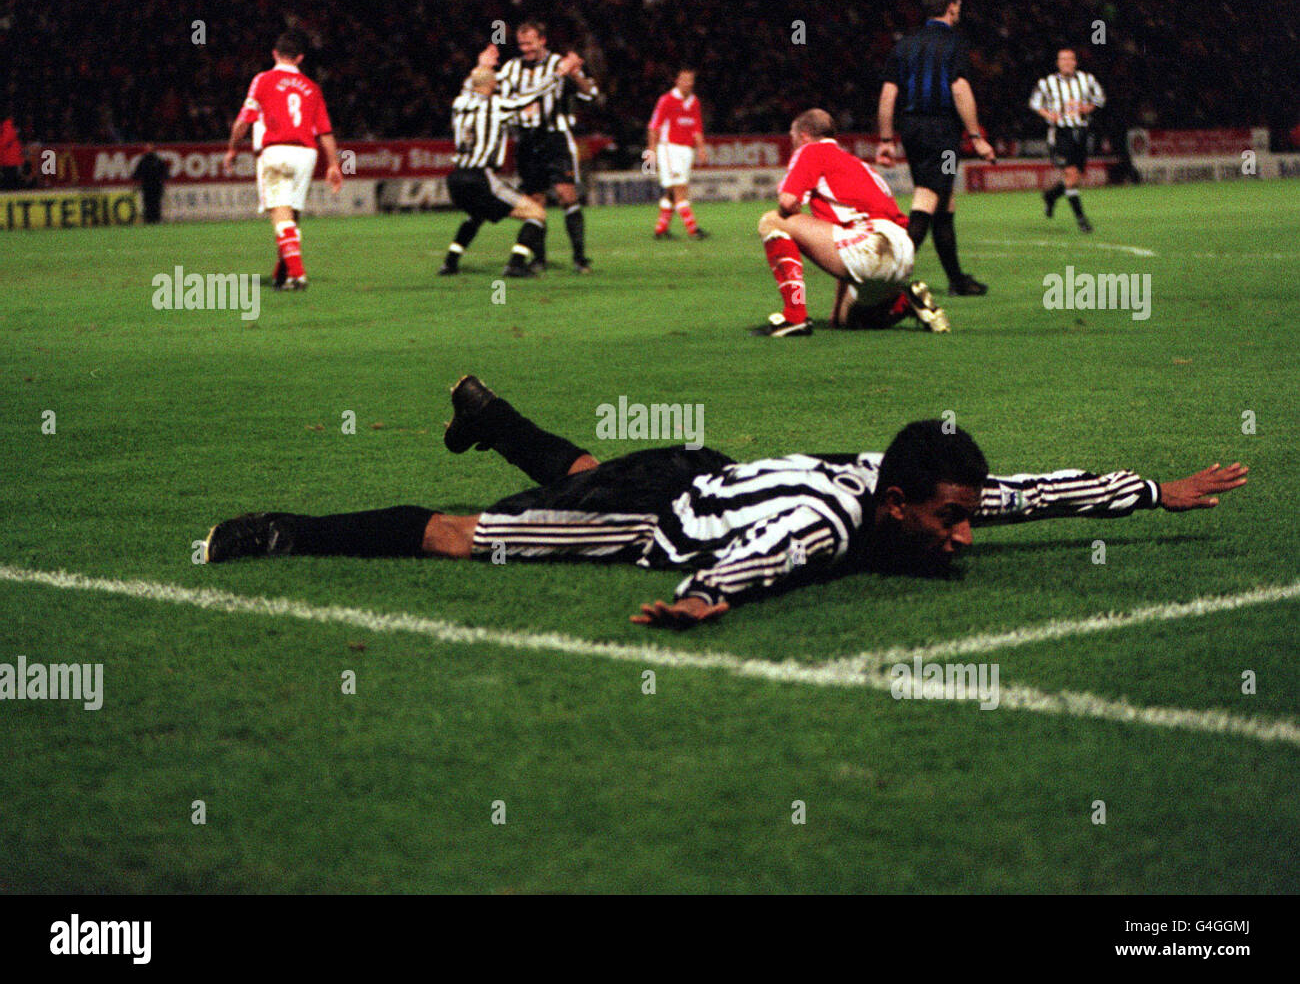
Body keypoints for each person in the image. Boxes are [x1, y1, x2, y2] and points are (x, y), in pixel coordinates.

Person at [203, 375, 1249, 629]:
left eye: (961, 516)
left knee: (580, 468)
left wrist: (1153, 490)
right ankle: (278, 530)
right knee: (460, 537)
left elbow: (1038, 494)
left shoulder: (905, 492)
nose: (965, 531)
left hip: (696, 469)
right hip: (660, 520)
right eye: (947, 520)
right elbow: (779, 551)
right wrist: (709, 597)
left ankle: (491, 412)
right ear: (893, 503)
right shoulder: (838, 520)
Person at [753, 108, 950, 338]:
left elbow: (788, 202)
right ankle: (905, 303)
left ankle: (795, 316)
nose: (792, 143)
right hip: (902, 254)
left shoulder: (811, 151)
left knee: (772, 221)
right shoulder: (858, 164)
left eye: (792, 137)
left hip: (870, 247)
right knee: (842, 321)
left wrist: (792, 211)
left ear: (804, 135)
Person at [876, 0, 996, 297]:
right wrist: (976, 136)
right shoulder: (954, 43)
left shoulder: (904, 44)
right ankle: (885, 280)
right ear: (952, 6)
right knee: (928, 198)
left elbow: (888, 94)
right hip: (941, 132)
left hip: (912, 131)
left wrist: (887, 139)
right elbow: (959, 89)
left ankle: (957, 280)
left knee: (944, 202)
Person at [222, 30, 342, 291]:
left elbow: (244, 121)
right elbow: (325, 131)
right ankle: (282, 274)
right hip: (307, 154)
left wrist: (232, 148)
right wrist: (333, 164)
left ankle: (298, 275)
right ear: (300, 57)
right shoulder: (312, 87)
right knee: (292, 215)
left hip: (277, 151)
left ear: (274, 54)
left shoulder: (263, 80)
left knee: (280, 214)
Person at [440, 56, 580, 277]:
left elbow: (472, 83)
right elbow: (530, 96)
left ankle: (449, 263)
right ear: (492, 85)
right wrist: (558, 74)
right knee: (537, 214)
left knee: (476, 214)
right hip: (480, 177)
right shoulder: (496, 105)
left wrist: (482, 64)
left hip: (455, 178)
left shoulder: (459, 103)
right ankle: (515, 264)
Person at [492, 21, 599, 272]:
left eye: (530, 43)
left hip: (555, 139)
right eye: (521, 44)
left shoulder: (559, 64)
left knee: (566, 194)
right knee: (534, 201)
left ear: (542, 40)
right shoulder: (511, 68)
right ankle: (538, 259)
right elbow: (509, 100)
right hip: (527, 141)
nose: (525, 49)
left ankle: (580, 258)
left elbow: (590, 95)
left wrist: (575, 74)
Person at [1030, 48, 1107, 232]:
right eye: (1062, 59)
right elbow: (1035, 103)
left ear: (1075, 62)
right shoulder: (1047, 82)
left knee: (1075, 179)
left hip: (1081, 132)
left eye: (1069, 59)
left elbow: (1100, 98)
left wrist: (1087, 107)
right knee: (1071, 175)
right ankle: (1082, 220)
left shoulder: (1086, 79)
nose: (1066, 62)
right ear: (1058, 63)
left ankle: (1050, 196)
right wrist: (1048, 114)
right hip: (1060, 133)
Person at [646, 69, 708, 240]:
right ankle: (693, 229)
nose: (688, 83)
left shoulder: (694, 102)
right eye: (684, 80)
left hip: (687, 150)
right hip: (670, 148)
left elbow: (697, 127)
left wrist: (701, 148)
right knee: (681, 190)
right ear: (677, 81)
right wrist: (651, 150)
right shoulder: (666, 100)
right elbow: (654, 126)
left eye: (690, 80)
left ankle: (661, 230)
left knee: (672, 192)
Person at [131, 143, 169, 224]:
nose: (147, 150)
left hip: (155, 185)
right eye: (146, 148)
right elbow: (137, 173)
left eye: (148, 148)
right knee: (148, 204)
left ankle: (155, 220)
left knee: (155, 203)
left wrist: (164, 179)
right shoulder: (144, 161)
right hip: (148, 186)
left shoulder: (157, 160)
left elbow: (165, 172)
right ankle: (149, 220)